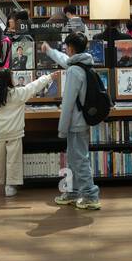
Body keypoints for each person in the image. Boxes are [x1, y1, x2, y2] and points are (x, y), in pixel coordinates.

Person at [40, 31, 101, 210]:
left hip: (76, 123)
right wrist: (50, 51)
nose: (65, 50)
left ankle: (90, 195)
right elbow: (64, 60)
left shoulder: (74, 71)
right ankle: (73, 192)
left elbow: (67, 103)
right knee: (75, 159)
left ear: (72, 48)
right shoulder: (83, 63)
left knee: (79, 159)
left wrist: (62, 128)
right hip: (82, 121)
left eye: (66, 47)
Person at [0, 69, 58, 198]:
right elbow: (34, 86)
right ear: (9, 80)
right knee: (13, 160)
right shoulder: (18, 94)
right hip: (15, 133)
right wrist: (49, 77)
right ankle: (10, 187)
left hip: (0, 133)